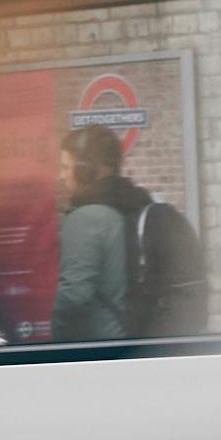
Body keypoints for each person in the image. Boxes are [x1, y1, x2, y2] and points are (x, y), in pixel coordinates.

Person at [44, 84, 200, 348]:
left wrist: (52, 341)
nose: (60, 176)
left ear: (86, 170)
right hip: (140, 342)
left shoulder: (86, 217)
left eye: (66, 167)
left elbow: (74, 296)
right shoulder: (135, 205)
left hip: (100, 348)